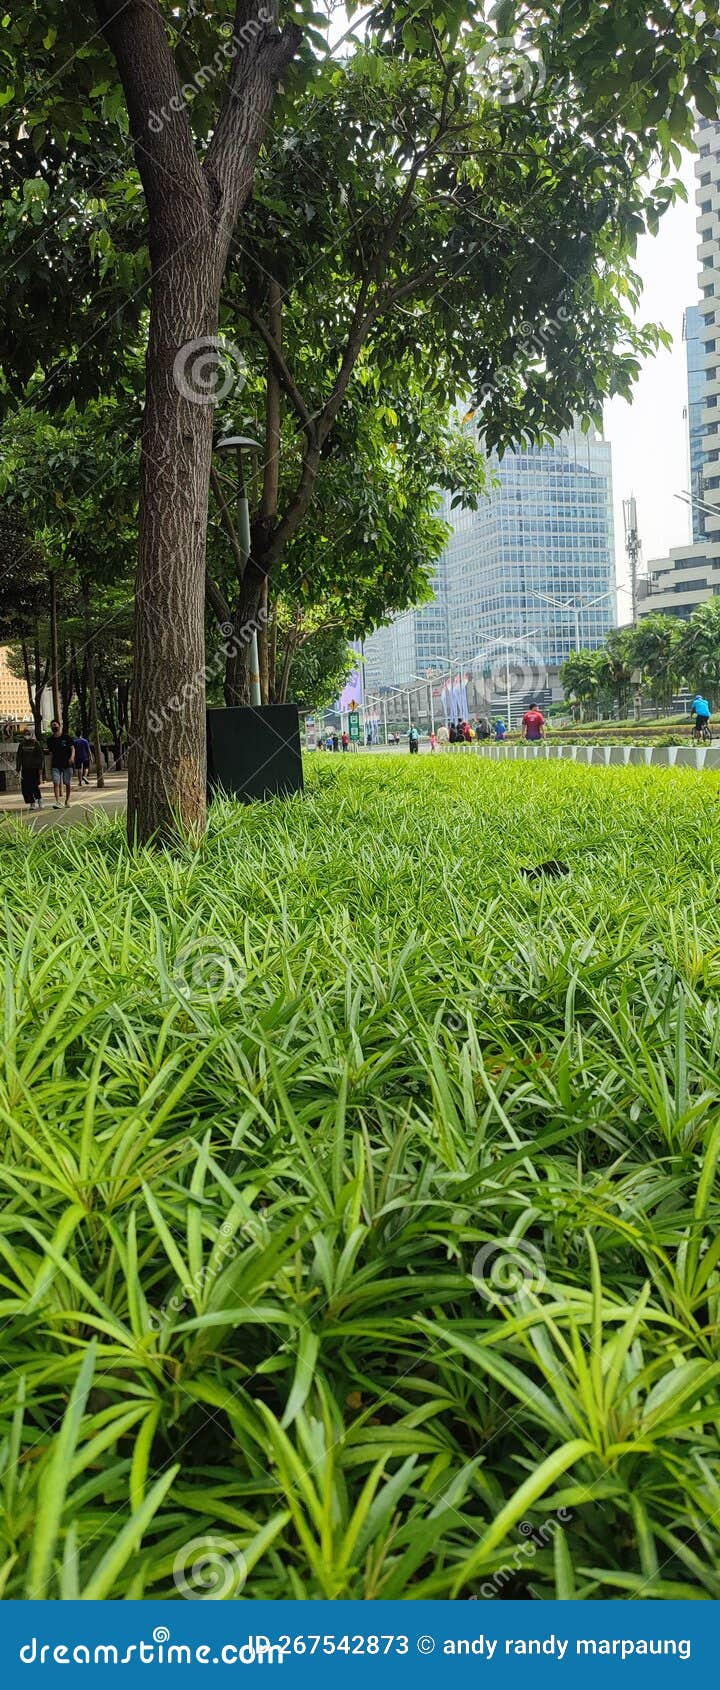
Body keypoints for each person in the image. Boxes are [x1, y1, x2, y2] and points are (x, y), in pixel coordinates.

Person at [46, 719, 75, 808]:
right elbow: (50, 753)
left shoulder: (66, 737)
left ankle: (67, 801)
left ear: (59, 726)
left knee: (67, 783)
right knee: (56, 782)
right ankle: (57, 802)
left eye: (55, 725)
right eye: (52, 725)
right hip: (56, 764)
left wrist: (72, 757)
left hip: (67, 764)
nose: (54, 727)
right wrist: (49, 765)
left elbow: (72, 749)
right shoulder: (50, 740)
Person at [15, 726, 44, 810]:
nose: (26, 735)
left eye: (28, 733)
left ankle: (39, 799)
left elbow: (40, 757)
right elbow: (19, 757)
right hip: (25, 769)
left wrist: (40, 769)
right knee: (26, 787)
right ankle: (31, 802)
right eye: (25, 733)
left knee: (34, 785)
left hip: (34, 769)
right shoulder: (22, 744)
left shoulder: (36, 743)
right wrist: (18, 769)